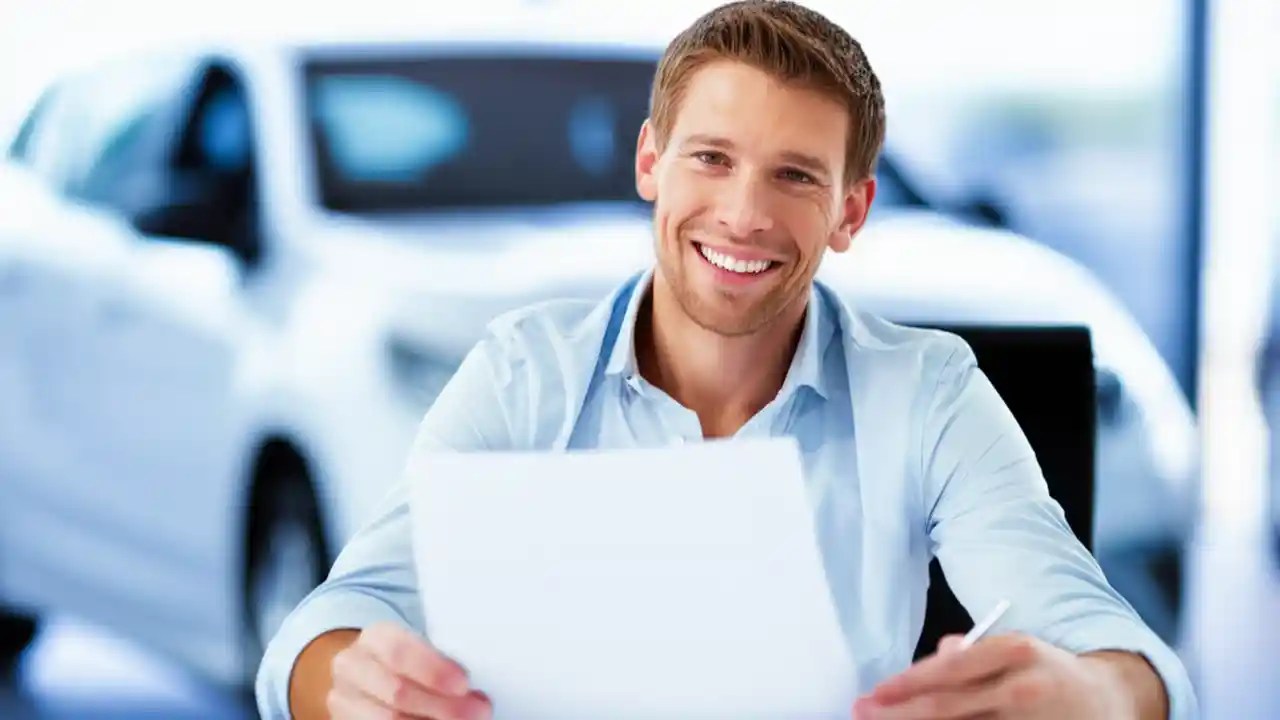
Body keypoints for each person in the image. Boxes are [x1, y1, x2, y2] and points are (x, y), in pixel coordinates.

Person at [256, 2, 1196, 718]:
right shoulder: (521, 372)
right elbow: (325, 627)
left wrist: (1093, 694)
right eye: (711, 158)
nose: (744, 215)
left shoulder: (928, 394)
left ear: (851, 211)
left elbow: (1120, 652)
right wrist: (351, 681)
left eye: (795, 175)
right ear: (650, 163)